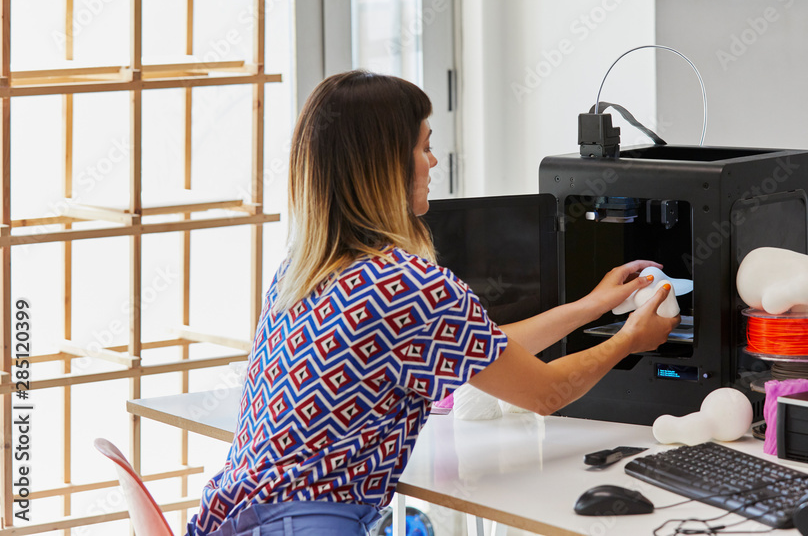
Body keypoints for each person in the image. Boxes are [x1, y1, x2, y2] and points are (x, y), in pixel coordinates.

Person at [187, 70, 678, 536]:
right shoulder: (410, 285)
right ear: (386, 165)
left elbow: (479, 349)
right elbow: (544, 394)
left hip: (232, 512)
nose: (434, 161)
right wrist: (630, 338)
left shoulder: (303, 269)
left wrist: (592, 306)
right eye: (425, 147)